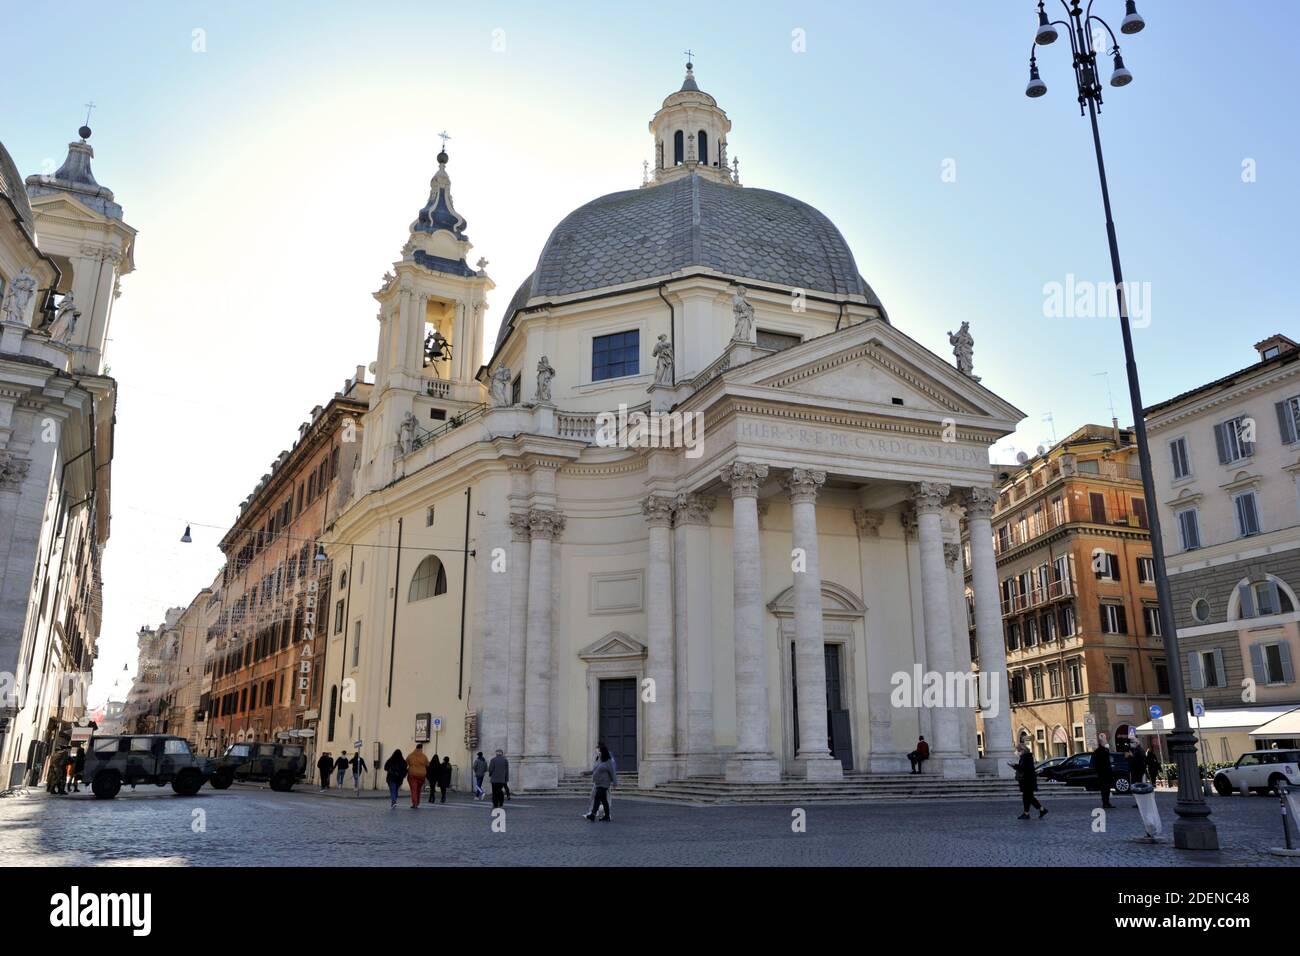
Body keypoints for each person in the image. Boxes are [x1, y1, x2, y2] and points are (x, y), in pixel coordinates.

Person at [1011, 744, 1047, 819]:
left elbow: (1024, 768)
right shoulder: (1026, 757)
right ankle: (1040, 810)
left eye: (1018, 751)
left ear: (1022, 750)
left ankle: (1028, 813)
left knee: (1027, 797)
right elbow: (1024, 767)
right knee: (1029, 797)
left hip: (1027, 781)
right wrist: (1016, 766)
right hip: (1027, 780)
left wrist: (1014, 766)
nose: (1017, 752)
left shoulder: (1026, 757)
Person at [585, 744, 618, 822]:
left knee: (597, 798)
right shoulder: (601, 760)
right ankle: (606, 816)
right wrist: (587, 773)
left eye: (600, 751)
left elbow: (612, 772)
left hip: (604, 784)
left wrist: (615, 783)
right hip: (598, 783)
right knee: (603, 800)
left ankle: (593, 814)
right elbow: (595, 770)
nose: (598, 752)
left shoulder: (608, 761)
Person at [1091, 733, 1115, 809]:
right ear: (1102, 741)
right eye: (1105, 740)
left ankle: (1107, 802)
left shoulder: (1104, 750)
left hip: (1106, 773)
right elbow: (1098, 762)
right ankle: (1105, 803)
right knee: (1104, 789)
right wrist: (1107, 750)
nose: (1106, 741)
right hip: (1103, 774)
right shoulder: (1099, 751)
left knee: (1107, 789)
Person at [406, 743, 429, 808]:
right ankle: (417, 802)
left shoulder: (410, 755)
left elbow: (406, 763)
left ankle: (414, 803)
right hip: (422, 775)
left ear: (415, 748)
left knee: (414, 790)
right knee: (418, 790)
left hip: (412, 774)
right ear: (421, 748)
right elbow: (427, 764)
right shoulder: (424, 756)